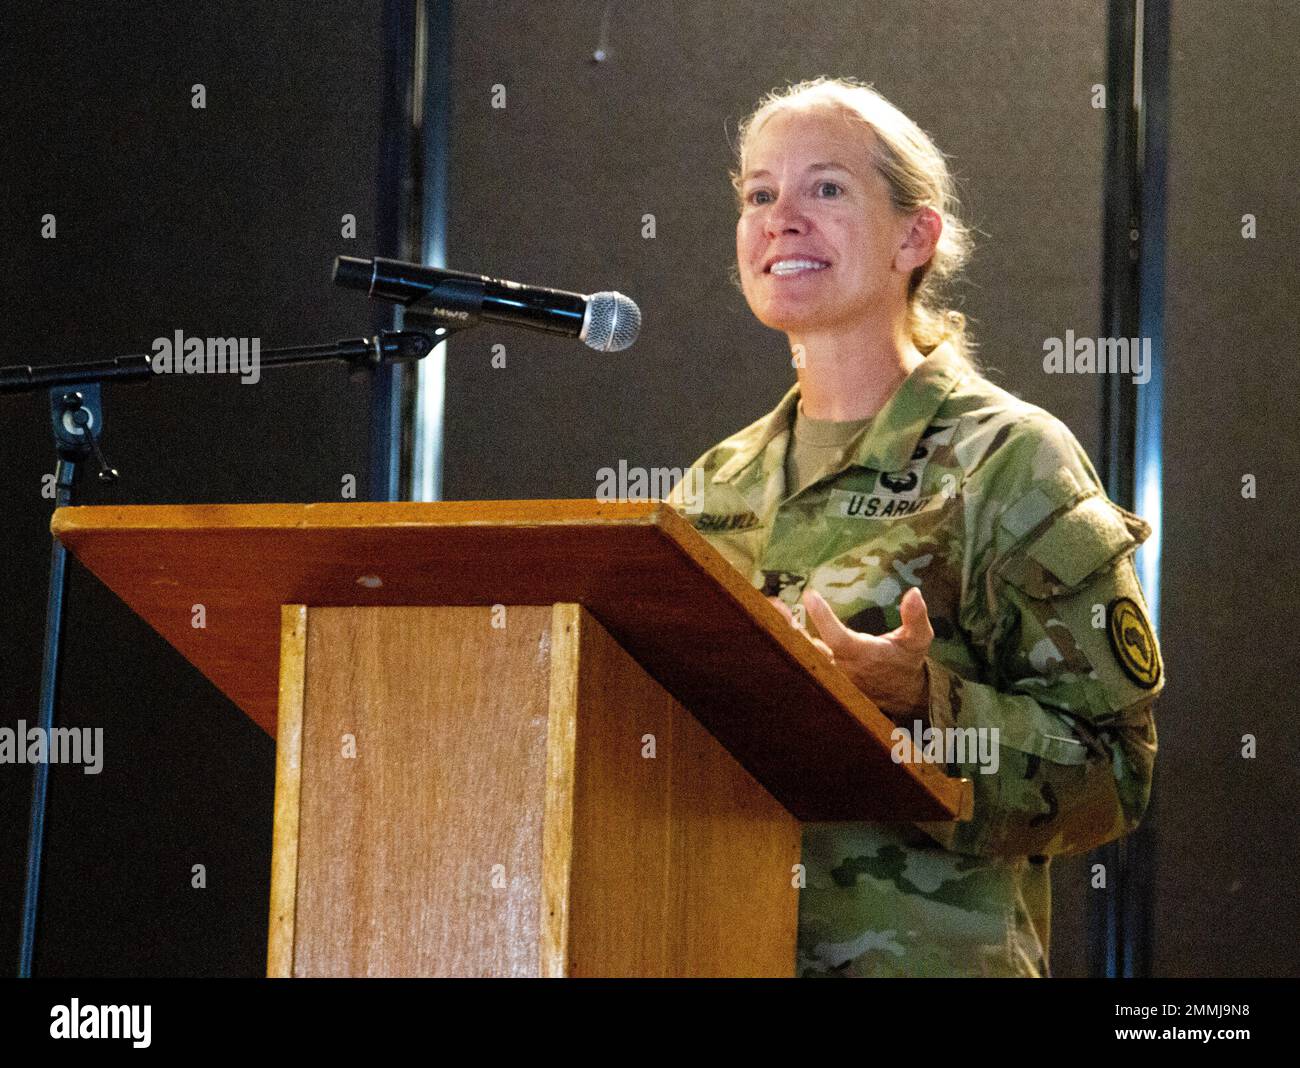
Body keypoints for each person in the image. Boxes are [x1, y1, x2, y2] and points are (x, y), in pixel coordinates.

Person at [666, 76, 1163, 977]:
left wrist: (921, 703)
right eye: (758, 194)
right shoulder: (711, 487)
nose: (781, 219)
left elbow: (1112, 774)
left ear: (915, 235)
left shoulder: (1008, 461)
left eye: (825, 188)